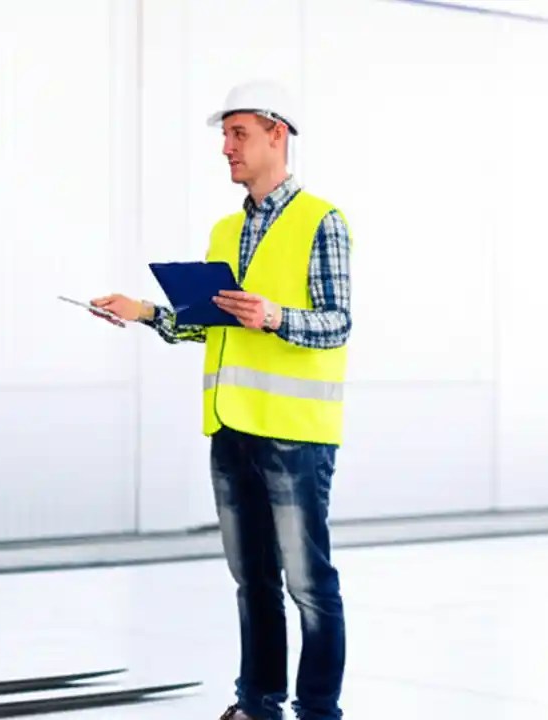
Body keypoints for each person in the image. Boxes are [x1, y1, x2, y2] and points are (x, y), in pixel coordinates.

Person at [92, 80, 351, 720]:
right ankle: (257, 704)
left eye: (237, 134)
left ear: (276, 135)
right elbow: (209, 323)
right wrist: (145, 311)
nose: (226, 149)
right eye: (224, 137)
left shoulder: (323, 221)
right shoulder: (223, 231)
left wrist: (275, 316)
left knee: (309, 585)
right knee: (253, 583)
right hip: (231, 428)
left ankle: (319, 712)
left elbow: (338, 322)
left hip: (295, 434)